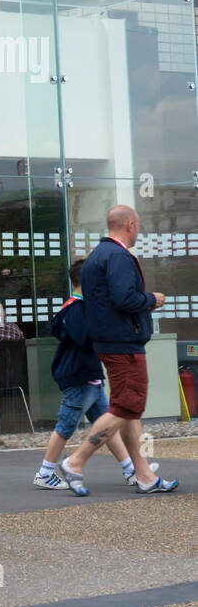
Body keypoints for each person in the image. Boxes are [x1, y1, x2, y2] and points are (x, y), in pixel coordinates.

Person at [57, 206, 178, 495]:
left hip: (111, 342)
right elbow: (125, 298)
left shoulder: (97, 256)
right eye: (139, 226)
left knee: (130, 409)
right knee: (124, 407)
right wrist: (152, 299)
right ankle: (76, 461)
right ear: (131, 224)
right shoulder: (119, 256)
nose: (139, 231)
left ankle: (145, 475)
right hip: (124, 344)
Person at [34, 260, 157, 490]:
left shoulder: (78, 308)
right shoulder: (76, 309)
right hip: (80, 377)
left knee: (108, 427)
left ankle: (131, 469)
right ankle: (45, 472)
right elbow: (84, 338)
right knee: (66, 425)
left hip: (89, 376)